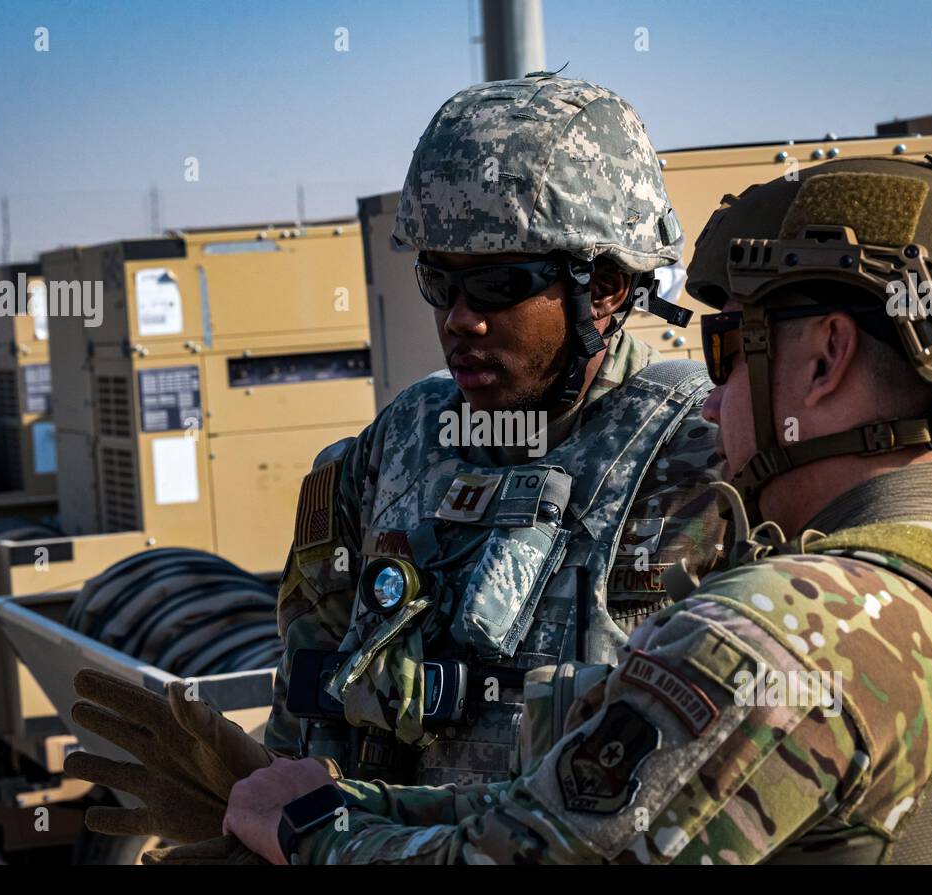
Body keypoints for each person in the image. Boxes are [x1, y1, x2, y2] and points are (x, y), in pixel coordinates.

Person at [220, 155, 932, 865]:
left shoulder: (783, 629)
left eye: (729, 350)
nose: (715, 400)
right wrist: (346, 797)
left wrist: (306, 833)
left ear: (827, 358)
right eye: (439, 283)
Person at [261, 71, 725, 788]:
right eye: (439, 282)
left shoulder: (699, 455)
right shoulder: (399, 442)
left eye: (499, 285)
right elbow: (309, 693)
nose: (460, 319)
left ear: (603, 288)